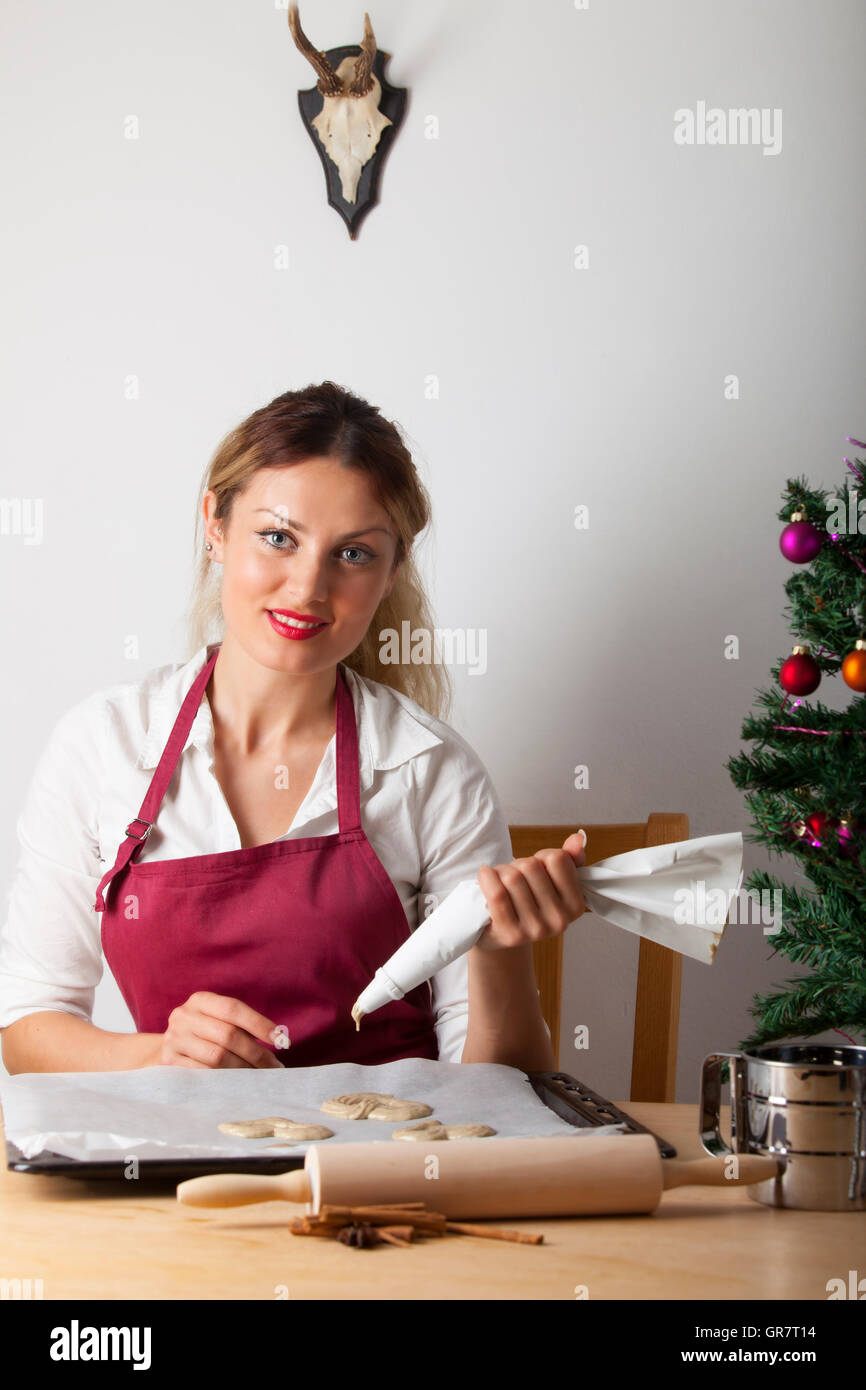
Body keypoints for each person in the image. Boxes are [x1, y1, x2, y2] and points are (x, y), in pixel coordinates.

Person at [0, 381, 586, 1075]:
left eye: (354, 554)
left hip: (388, 1162)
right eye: (277, 538)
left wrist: (502, 952)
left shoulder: (432, 772)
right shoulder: (103, 744)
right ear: (215, 525)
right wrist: (160, 1055)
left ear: (394, 568)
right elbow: (28, 1028)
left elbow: (495, 1091)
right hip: (177, 1168)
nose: (307, 588)